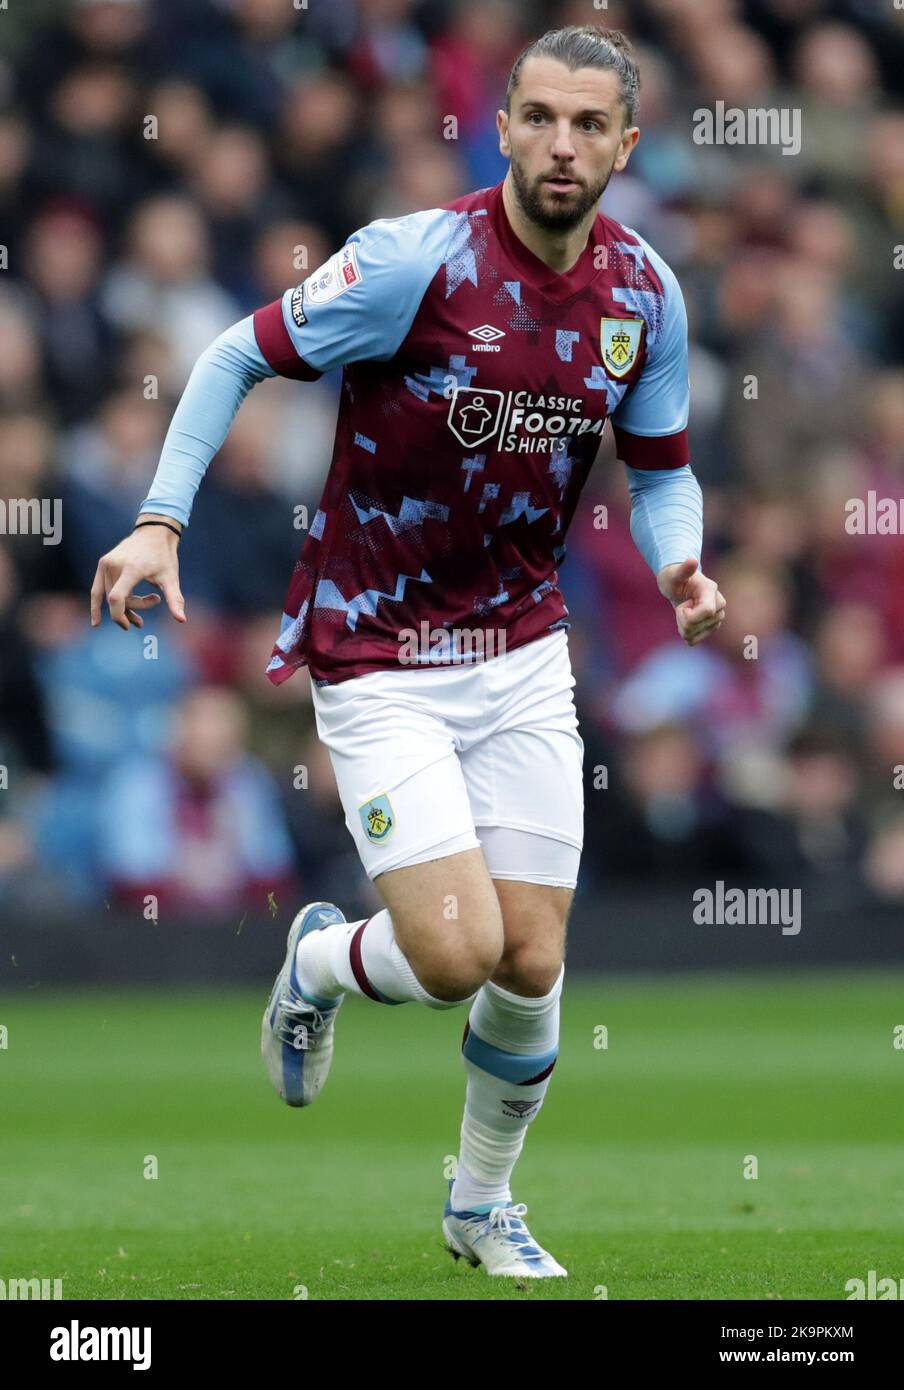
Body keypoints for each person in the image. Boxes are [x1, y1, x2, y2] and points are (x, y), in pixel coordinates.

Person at [90, 26, 726, 1279]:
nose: (561, 144)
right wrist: (160, 517)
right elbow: (235, 354)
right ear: (501, 125)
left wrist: (678, 563)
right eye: (539, 117)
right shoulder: (412, 261)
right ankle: (320, 959)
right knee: (452, 956)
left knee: (532, 958)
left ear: (625, 146)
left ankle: (478, 1206)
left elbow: (663, 472)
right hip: (378, 648)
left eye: (589, 125)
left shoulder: (645, 293)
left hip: (524, 648)